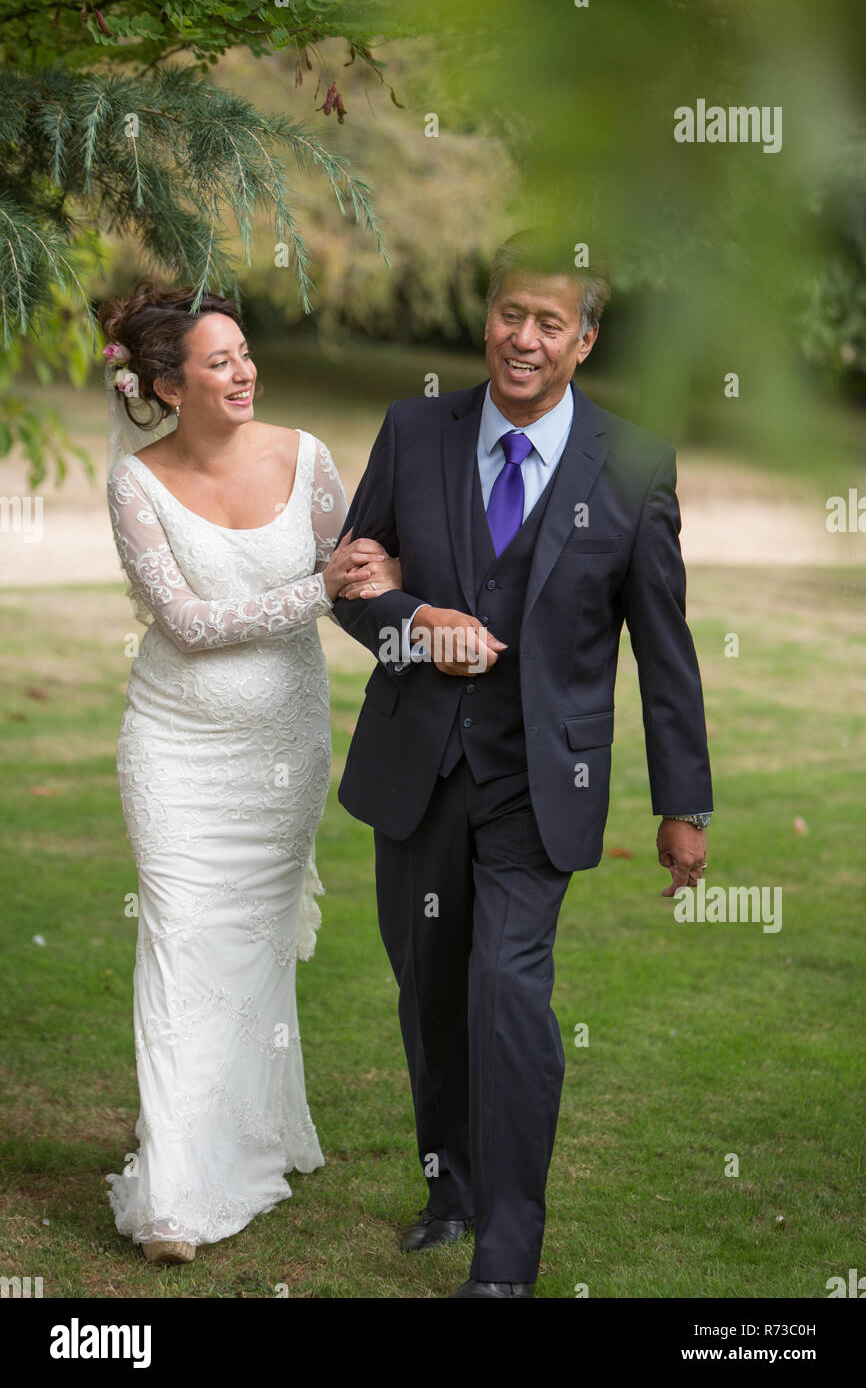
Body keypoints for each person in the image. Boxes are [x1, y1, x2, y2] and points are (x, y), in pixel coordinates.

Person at [331, 235, 714, 1298]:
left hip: (542, 786)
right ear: (485, 318)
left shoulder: (633, 464)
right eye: (510, 314)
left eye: (550, 323)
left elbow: (664, 650)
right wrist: (417, 621)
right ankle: (447, 1186)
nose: (523, 339)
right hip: (416, 771)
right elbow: (351, 584)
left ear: (584, 341)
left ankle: (505, 1253)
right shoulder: (413, 431)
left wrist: (682, 803)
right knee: (429, 993)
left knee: (506, 993)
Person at [101, 283, 394, 1263]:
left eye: (243, 353)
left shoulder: (307, 458)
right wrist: (317, 587)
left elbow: (359, 584)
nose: (242, 371)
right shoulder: (133, 483)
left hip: (283, 751)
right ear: (164, 384)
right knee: (180, 935)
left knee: (253, 946)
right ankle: (176, 1192)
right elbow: (183, 622)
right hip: (174, 744)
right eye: (218, 360)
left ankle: (253, 1131)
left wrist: (411, 620)